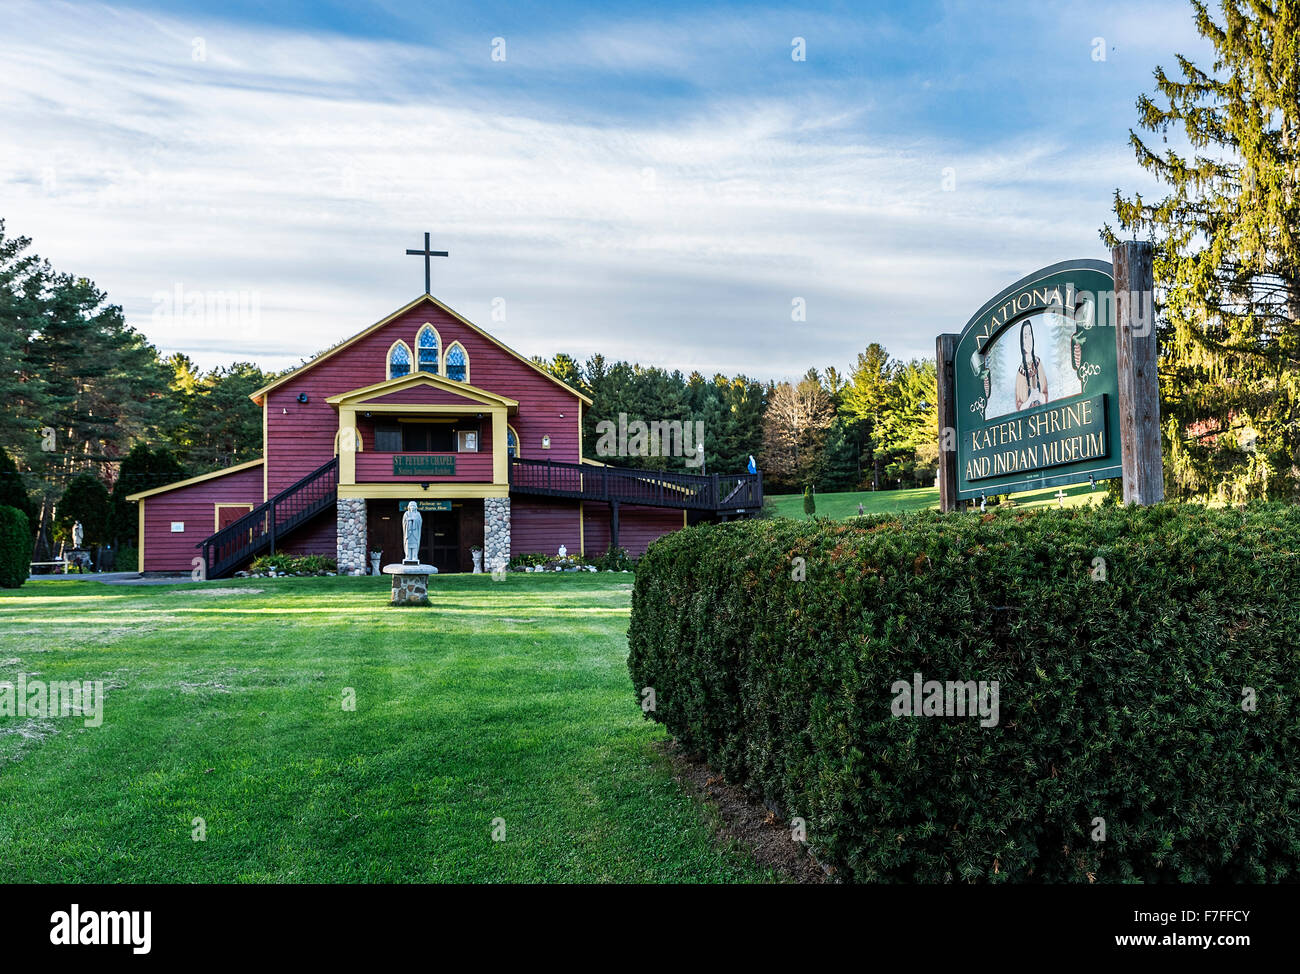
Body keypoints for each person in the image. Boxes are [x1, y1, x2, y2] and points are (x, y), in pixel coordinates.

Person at [1014, 319, 1048, 411]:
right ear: (1022, 341)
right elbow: (1020, 407)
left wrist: (1039, 396)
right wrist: (1030, 400)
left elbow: (1045, 395)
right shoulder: (1021, 372)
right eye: (1025, 336)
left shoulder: (1038, 363)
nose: (1028, 339)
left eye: (1030, 334)